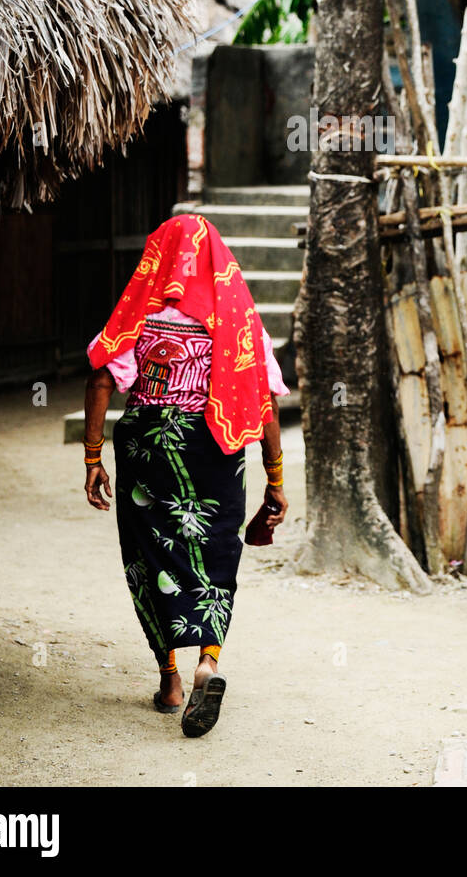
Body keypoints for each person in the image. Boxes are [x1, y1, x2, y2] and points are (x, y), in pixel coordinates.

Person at [82, 213, 289, 737]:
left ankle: (169, 681)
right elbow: (263, 402)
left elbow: (102, 378)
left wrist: (91, 457)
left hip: (148, 447)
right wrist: (276, 478)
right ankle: (208, 664)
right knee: (215, 552)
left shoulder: (141, 314)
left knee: (151, 557)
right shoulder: (239, 319)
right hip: (214, 448)